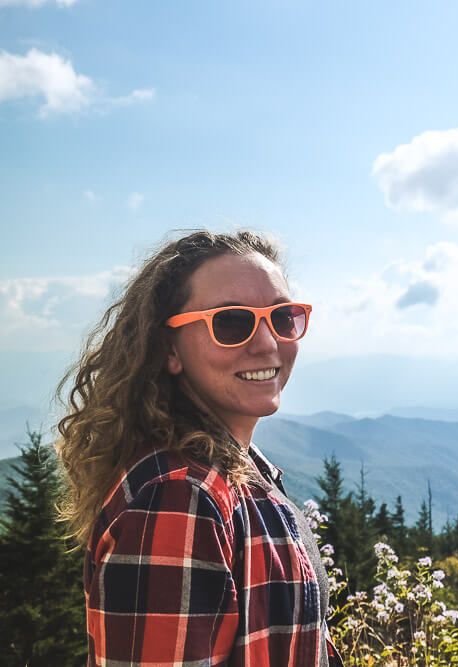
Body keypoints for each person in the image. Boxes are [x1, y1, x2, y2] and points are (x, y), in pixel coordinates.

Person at [55, 230, 341, 666]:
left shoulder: (238, 474)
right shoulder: (177, 497)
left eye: (283, 317)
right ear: (170, 348)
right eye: (231, 322)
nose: (268, 342)